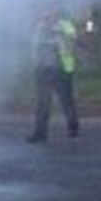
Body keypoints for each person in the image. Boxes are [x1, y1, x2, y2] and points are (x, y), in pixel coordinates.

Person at [28, 8, 80, 143]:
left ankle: (73, 127)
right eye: (44, 12)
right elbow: (35, 46)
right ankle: (40, 133)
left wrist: (59, 34)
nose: (46, 14)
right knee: (43, 103)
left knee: (66, 100)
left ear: (55, 13)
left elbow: (73, 44)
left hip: (61, 69)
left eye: (49, 11)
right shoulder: (39, 27)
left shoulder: (65, 26)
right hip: (43, 69)